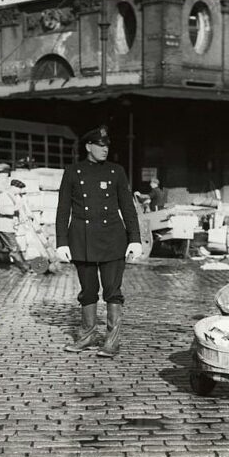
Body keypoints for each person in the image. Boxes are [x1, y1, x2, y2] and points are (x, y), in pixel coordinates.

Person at [56, 125, 142, 358]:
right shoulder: (73, 171)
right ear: (88, 147)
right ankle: (86, 336)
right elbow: (63, 209)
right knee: (88, 290)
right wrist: (61, 242)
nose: (105, 150)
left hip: (113, 240)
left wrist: (135, 239)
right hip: (82, 240)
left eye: (107, 146)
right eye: (100, 146)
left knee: (112, 291)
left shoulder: (116, 171)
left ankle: (112, 341)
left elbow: (128, 208)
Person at [0, 178, 31, 273]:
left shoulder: (13, 196)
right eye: (19, 189)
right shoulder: (3, 195)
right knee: (14, 248)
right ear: (14, 187)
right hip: (4, 226)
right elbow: (0, 209)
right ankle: (25, 268)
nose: (20, 191)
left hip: (6, 226)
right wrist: (15, 208)